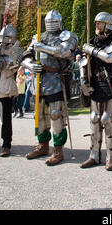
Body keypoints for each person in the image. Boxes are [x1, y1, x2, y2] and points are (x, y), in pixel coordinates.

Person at [21, 9, 78, 166]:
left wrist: (42, 48)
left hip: (55, 80)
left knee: (55, 115)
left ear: (59, 22)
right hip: (39, 81)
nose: (51, 24)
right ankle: (43, 146)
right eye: (49, 21)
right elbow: (25, 56)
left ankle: (58, 150)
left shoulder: (67, 36)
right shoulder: (39, 36)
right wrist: (32, 65)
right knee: (39, 116)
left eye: (54, 21)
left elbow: (63, 52)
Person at [80, 12, 112, 171]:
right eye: (96, 23)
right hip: (95, 82)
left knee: (108, 118)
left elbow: (110, 57)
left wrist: (90, 50)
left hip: (110, 82)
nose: (96, 25)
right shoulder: (92, 41)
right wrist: (83, 80)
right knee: (94, 118)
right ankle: (94, 155)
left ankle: (111, 157)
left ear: (107, 24)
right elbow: (83, 62)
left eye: (99, 23)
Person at [0, 24, 23, 157]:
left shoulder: (17, 50)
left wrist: (1, 60)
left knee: (6, 118)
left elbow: (14, 63)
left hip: (5, 88)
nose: (3, 40)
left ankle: (6, 144)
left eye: (6, 37)